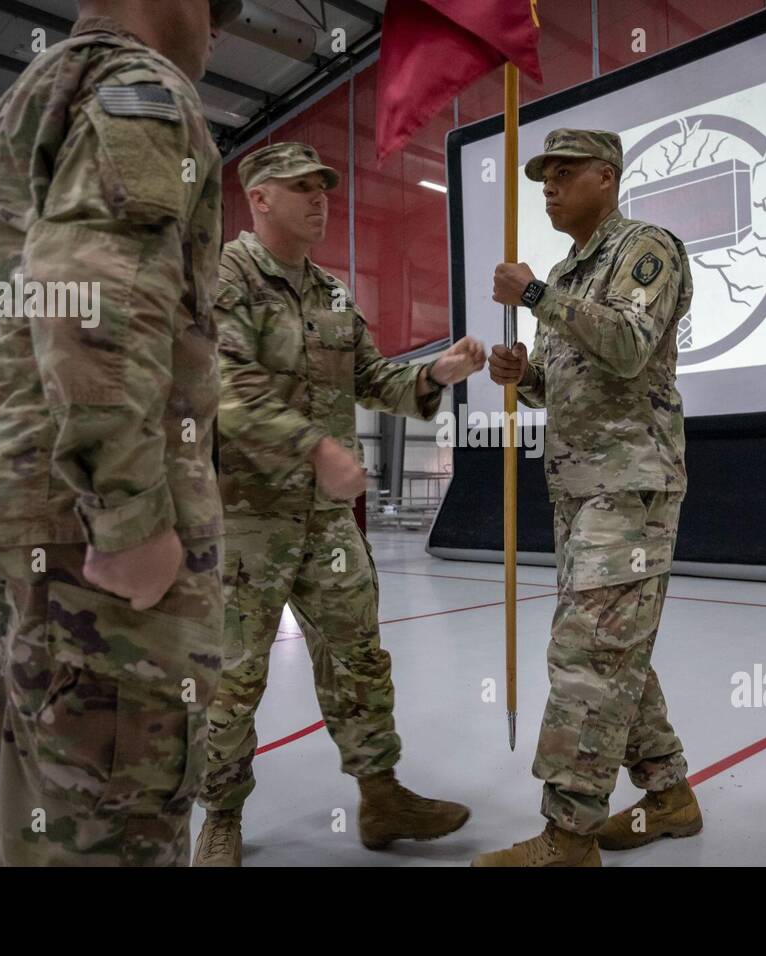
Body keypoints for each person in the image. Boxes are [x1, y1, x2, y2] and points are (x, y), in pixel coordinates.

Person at [0, 0, 243, 865]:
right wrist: (129, 509)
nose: (219, 32)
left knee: (24, 795)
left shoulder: (7, 113)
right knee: (113, 824)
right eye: (215, 9)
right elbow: (90, 285)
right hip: (82, 535)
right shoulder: (143, 87)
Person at [192, 142, 486, 866]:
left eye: (324, 187)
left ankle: (381, 797)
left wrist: (434, 374)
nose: (320, 199)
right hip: (246, 517)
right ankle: (221, 817)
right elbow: (227, 387)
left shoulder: (329, 291)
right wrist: (315, 449)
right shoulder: (226, 277)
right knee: (233, 675)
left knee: (358, 657)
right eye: (301, 188)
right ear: (258, 199)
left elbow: (371, 376)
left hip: (323, 522)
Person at [474, 129, 701, 867]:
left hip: (629, 488)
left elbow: (631, 346)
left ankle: (568, 837)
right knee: (613, 650)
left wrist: (536, 295)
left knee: (586, 656)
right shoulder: (574, 269)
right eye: (543, 176)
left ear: (607, 177)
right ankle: (668, 793)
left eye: (564, 173)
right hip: (577, 490)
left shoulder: (647, 248)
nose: (549, 186)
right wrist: (521, 375)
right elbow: (564, 375)